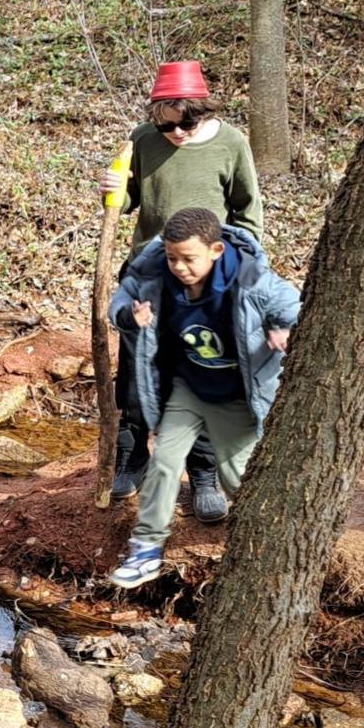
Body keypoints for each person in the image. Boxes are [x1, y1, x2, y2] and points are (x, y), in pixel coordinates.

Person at [98, 60, 264, 520]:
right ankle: (133, 459)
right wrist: (114, 189)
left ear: (204, 111)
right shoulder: (141, 139)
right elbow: (130, 202)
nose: (175, 133)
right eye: (165, 123)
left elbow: (248, 213)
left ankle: (204, 474)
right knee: (134, 376)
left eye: (185, 124)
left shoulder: (231, 144)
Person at [107, 207, 301, 588]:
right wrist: (130, 316)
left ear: (215, 249)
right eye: (172, 257)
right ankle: (145, 550)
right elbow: (122, 298)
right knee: (164, 461)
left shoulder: (248, 276)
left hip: (233, 392)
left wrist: (281, 326)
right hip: (187, 386)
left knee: (236, 474)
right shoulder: (154, 275)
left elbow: (290, 302)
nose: (179, 267)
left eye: (188, 258)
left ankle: (260, 541)